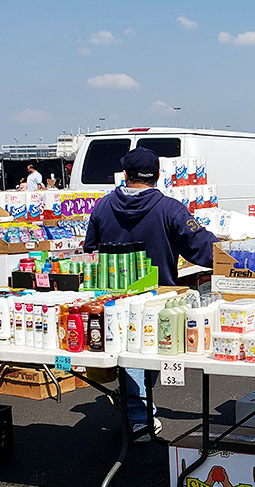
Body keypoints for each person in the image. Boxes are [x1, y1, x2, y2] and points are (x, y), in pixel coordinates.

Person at [84, 147, 218, 440]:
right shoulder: (170, 209)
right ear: (157, 176)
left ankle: (135, 404)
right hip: (158, 298)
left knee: (129, 351)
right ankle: (139, 417)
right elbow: (200, 247)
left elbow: (89, 249)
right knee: (146, 352)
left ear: (125, 175)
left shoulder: (103, 206)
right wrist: (233, 257)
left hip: (111, 296)